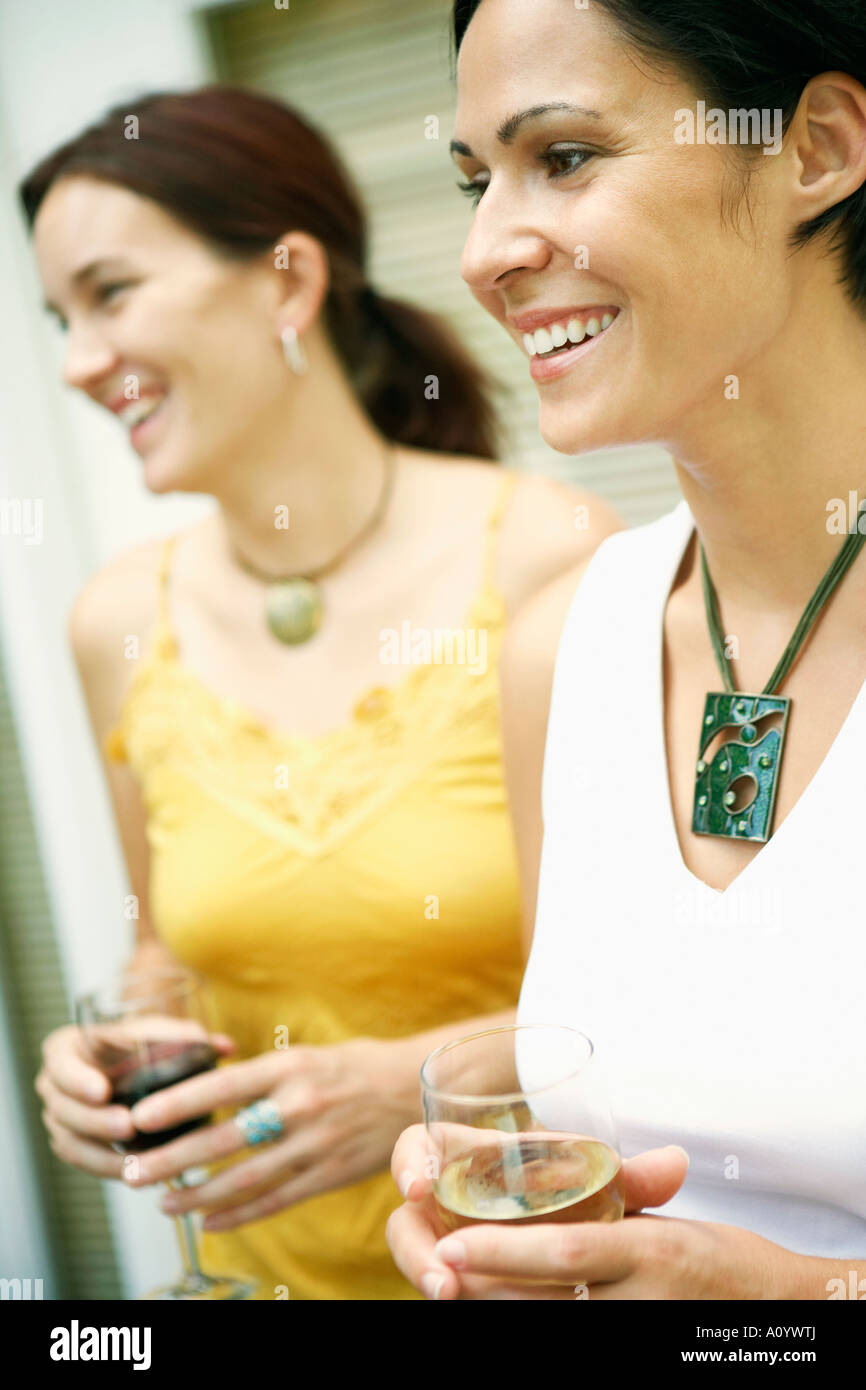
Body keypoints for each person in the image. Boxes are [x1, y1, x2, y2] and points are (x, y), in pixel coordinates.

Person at [22, 85, 621, 1299]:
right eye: (59, 318)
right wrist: (101, 1055)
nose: (81, 363)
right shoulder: (116, 621)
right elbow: (160, 954)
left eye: (112, 293)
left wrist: (405, 1086)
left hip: (511, 1275)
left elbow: (639, 995)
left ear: (287, 282)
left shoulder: (553, 560)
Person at [386, 0, 866, 1299]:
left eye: (565, 156)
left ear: (813, 149)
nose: (487, 250)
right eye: (477, 180)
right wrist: (513, 1197)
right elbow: (601, 1080)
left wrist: (793, 1298)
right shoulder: (563, 641)